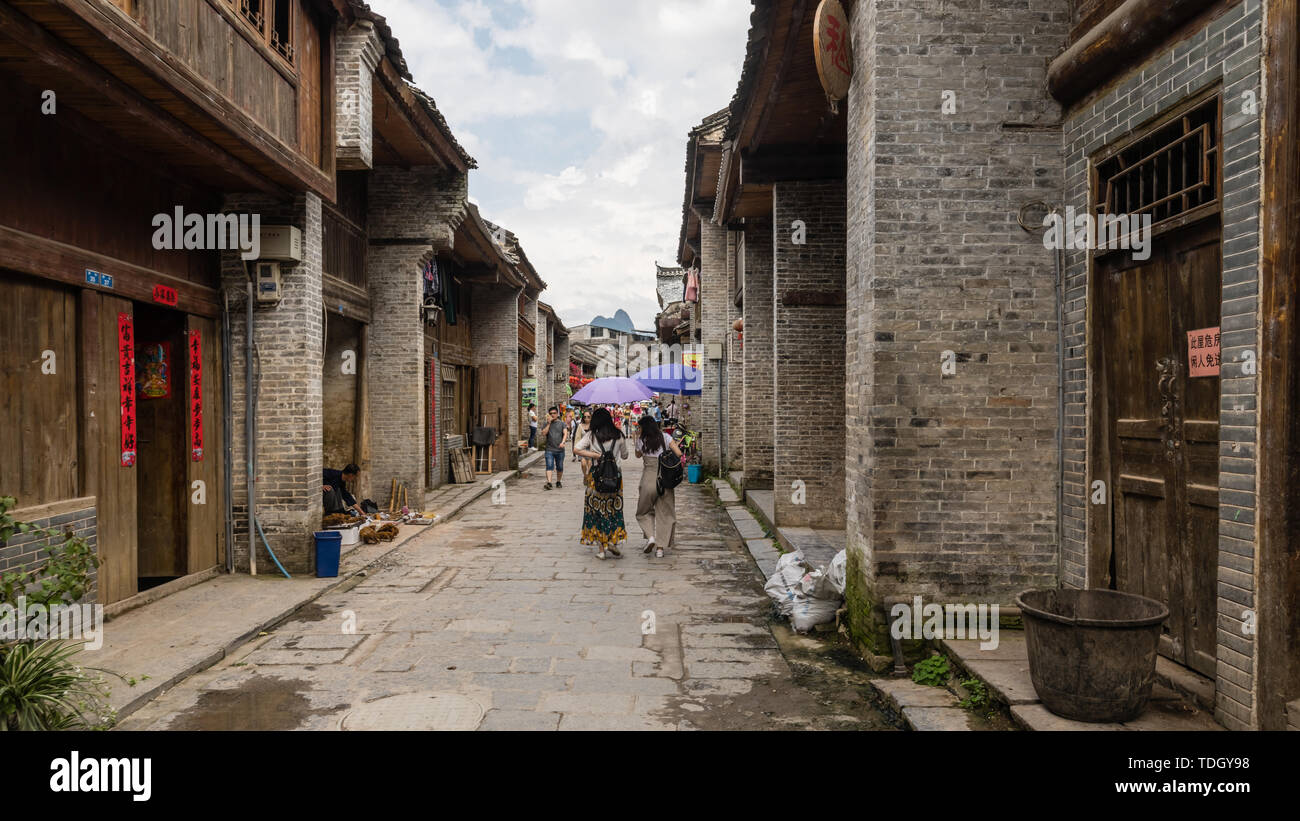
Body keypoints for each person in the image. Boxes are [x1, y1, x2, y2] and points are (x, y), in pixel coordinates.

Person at [575, 407, 628, 559]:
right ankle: (613, 541)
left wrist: (594, 455)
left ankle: (601, 550)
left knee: (597, 511)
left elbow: (577, 449)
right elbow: (625, 456)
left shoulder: (592, 435)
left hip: (596, 478)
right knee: (613, 510)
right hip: (615, 478)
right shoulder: (619, 435)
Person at [634, 416, 682, 558]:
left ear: (644, 428)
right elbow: (678, 454)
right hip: (665, 479)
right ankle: (660, 549)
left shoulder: (642, 440)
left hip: (648, 479)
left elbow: (637, 455)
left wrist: (636, 438)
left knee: (643, 512)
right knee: (665, 513)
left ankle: (650, 537)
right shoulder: (666, 437)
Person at [541, 406, 569, 490]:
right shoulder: (546, 423)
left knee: (559, 467)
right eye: (551, 414)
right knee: (549, 466)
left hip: (560, 450)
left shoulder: (562, 423)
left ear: (557, 414)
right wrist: (549, 423)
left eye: (554, 413)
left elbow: (565, 433)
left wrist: (563, 442)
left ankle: (558, 481)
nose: (552, 415)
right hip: (549, 449)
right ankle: (549, 482)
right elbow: (543, 433)